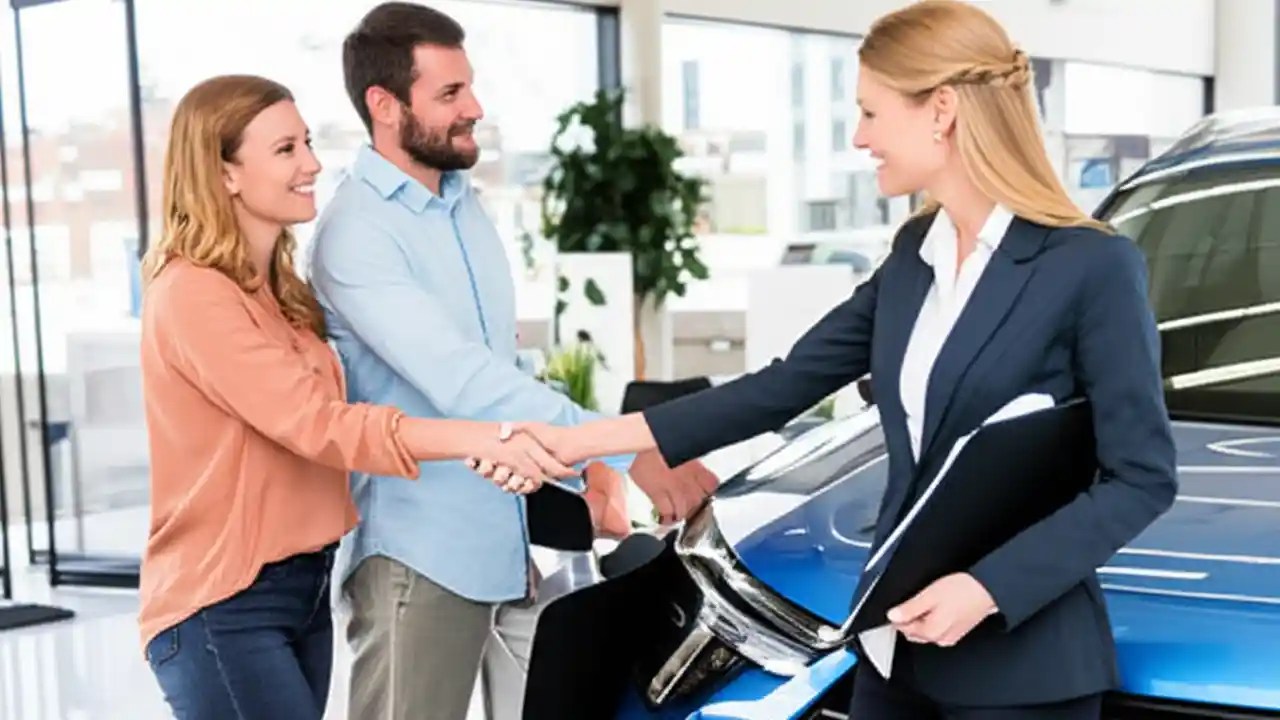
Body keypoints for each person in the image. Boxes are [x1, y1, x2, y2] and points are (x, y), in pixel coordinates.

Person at [510, 2, 1178, 718]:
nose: (859, 137)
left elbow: (1141, 478)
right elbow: (779, 387)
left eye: (869, 112)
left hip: (1019, 668)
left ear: (942, 110)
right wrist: (575, 442)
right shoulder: (913, 259)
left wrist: (984, 589)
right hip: (896, 654)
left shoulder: (1090, 266)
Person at [306, 4, 717, 719]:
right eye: (449, 94)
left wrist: (587, 461)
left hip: (507, 539)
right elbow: (462, 380)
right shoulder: (355, 234)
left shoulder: (464, 208)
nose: (475, 108)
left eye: (469, 87)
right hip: (418, 556)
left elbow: (506, 367)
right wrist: (628, 452)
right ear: (384, 104)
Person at [136, 74, 575, 720]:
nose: (312, 163)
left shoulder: (281, 293)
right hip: (223, 604)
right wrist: (480, 434)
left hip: (300, 589)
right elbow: (323, 426)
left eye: (308, 142)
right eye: (285, 150)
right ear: (223, 172)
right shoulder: (193, 294)